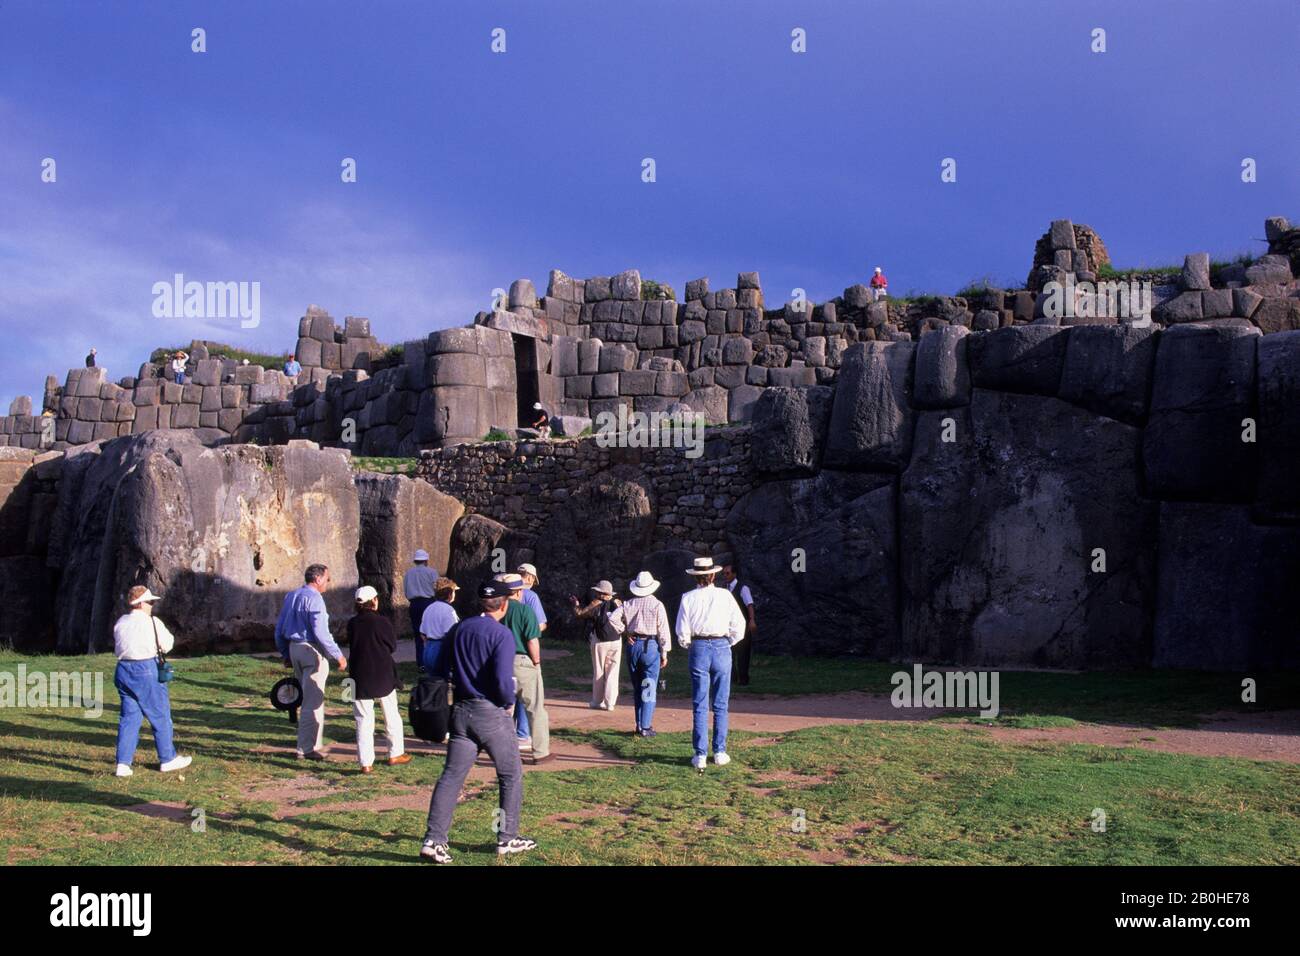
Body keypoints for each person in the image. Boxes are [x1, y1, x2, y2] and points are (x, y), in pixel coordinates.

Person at [420, 581, 537, 864]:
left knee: (451, 776)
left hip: (460, 710)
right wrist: (508, 701)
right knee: (510, 775)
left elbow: (436, 664)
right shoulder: (502, 634)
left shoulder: (460, 628)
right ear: (504, 605)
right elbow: (500, 678)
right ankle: (507, 838)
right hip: (490, 712)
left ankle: (434, 840)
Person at [112, 586, 193, 777]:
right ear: (140, 603)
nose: (152, 605)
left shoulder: (121, 622)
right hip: (145, 668)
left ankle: (123, 764)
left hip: (123, 669)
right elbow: (167, 644)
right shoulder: (152, 622)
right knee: (160, 715)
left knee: (129, 718)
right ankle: (167, 758)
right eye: (149, 602)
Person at [676, 557, 746, 772]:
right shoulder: (725, 596)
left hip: (699, 646)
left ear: (696, 576)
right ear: (713, 575)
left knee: (700, 703)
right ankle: (720, 751)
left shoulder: (687, 598)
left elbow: (682, 630)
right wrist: (728, 642)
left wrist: (690, 644)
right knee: (721, 703)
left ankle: (700, 754)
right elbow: (739, 624)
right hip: (721, 645)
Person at [274, 564, 348, 760]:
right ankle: (306, 748)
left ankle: (311, 742)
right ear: (318, 579)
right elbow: (321, 632)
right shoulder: (315, 599)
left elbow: (279, 628)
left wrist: (286, 654)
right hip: (311, 649)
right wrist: (338, 655)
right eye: (327, 578)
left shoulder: (291, 595)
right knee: (312, 701)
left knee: (308, 697)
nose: (328, 583)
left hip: (294, 647)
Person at [347, 585, 411, 773]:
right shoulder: (382, 622)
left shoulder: (352, 623)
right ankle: (395, 753)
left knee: (363, 718)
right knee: (391, 714)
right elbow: (391, 646)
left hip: (359, 674)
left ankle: (366, 762)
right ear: (374, 601)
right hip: (382, 673)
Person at [495, 572, 550, 762]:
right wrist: (537, 663)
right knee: (535, 708)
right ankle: (541, 752)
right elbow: (532, 641)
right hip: (523, 661)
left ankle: (500, 751)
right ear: (519, 592)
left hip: (501, 661)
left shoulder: (497, 610)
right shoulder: (525, 611)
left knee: (502, 709)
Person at [608, 571, 671, 737]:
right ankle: (646, 725)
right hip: (650, 646)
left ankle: (638, 723)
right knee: (649, 685)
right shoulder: (657, 605)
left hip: (633, 644)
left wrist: (625, 632)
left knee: (637, 686)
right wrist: (664, 653)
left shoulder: (628, 604)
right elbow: (663, 631)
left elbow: (612, 619)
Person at [571, 580, 623, 711]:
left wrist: (575, 604)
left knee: (599, 670)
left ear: (599, 592)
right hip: (616, 640)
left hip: (599, 640)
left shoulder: (596, 603)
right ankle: (610, 703)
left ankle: (597, 701)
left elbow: (580, 613)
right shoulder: (618, 604)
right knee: (613, 671)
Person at [514, 563, 547, 745]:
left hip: (504, 650)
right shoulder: (531, 596)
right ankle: (522, 733)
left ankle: (506, 733)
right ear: (530, 577)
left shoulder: (504, 594)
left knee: (507, 693)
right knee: (527, 694)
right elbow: (540, 624)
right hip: (526, 650)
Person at [721, 561, 756, 686]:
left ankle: (743, 679)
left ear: (734, 574)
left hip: (743, 626)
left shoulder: (743, 588)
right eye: (724, 573)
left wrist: (751, 620)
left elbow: (749, 604)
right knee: (729, 653)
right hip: (728, 626)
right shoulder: (724, 589)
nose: (725, 576)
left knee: (743, 654)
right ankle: (733, 678)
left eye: (728, 573)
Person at [402, 550, 440, 660]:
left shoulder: (408, 573)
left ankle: (421, 662)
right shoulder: (432, 572)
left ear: (415, 561)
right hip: (429, 602)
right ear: (426, 560)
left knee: (418, 634)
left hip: (414, 604)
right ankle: (432, 659)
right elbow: (437, 588)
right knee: (432, 633)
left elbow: (406, 591)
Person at [419, 577, 460, 675]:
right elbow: (451, 634)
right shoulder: (449, 610)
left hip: (428, 649)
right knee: (444, 682)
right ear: (450, 594)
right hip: (441, 649)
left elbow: (422, 633)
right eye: (454, 591)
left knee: (433, 683)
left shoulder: (429, 608)